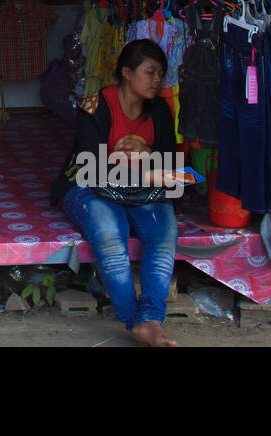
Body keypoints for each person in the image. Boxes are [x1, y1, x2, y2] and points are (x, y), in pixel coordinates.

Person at [50, 39, 181, 347]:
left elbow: (171, 162)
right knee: (110, 234)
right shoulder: (94, 107)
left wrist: (148, 151)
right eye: (150, 72)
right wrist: (147, 168)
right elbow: (90, 167)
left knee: (163, 236)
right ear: (126, 72)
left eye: (161, 73)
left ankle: (150, 319)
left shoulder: (160, 110)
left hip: (141, 190)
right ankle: (136, 320)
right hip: (90, 186)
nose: (157, 80)